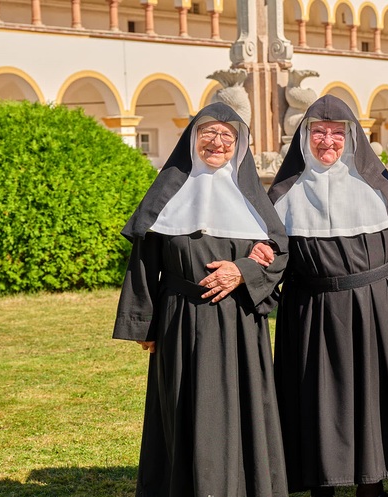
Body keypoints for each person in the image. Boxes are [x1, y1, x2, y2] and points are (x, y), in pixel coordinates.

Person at [113, 102, 290, 497]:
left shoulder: (251, 199)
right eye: (208, 133)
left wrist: (243, 269)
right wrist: (145, 323)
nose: (218, 142)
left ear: (239, 145)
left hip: (238, 320)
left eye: (228, 136)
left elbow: (280, 252)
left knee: (238, 406)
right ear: (192, 140)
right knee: (180, 406)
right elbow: (143, 262)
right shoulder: (166, 195)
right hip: (180, 317)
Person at [268, 95, 388, 497]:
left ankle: (372, 483)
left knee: (371, 395)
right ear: (305, 138)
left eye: (337, 133)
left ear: (351, 139)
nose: (327, 141)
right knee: (317, 399)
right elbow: (267, 256)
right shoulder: (284, 193)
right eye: (318, 132)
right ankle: (321, 484)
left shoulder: (379, 187)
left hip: (373, 307)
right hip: (310, 309)